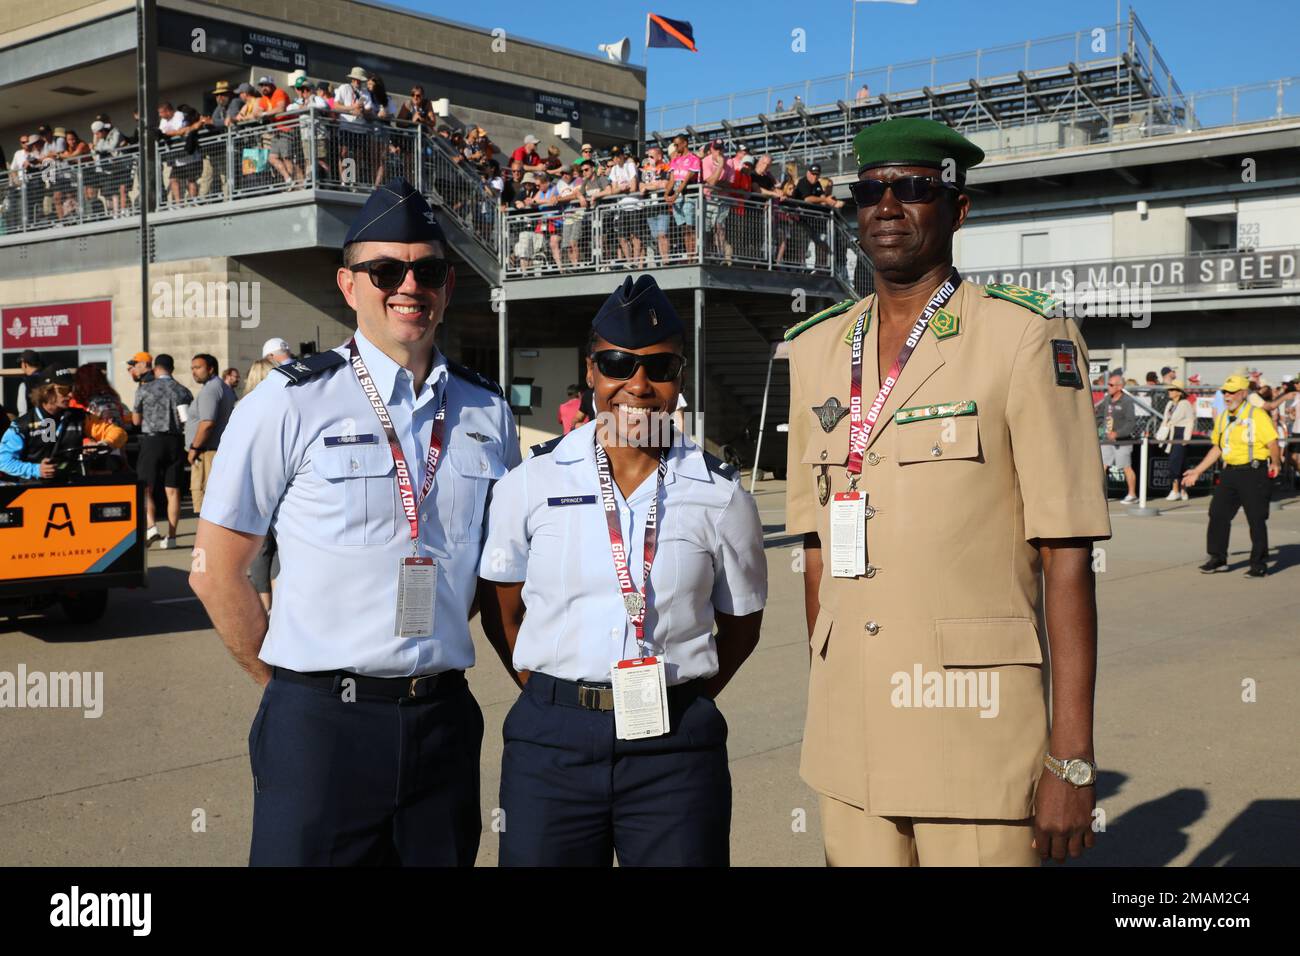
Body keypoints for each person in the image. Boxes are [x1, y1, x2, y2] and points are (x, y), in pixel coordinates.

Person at [784, 117, 1111, 866]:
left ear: (958, 210)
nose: (887, 205)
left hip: (976, 741)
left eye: (914, 189)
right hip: (851, 743)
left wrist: (1073, 758)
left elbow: (1066, 553)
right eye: (871, 190)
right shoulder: (815, 350)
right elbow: (814, 550)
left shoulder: (1024, 337)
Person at [190, 178, 519, 866]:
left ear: (448, 285)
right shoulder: (290, 400)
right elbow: (216, 571)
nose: (408, 285)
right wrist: (286, 688)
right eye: (384, 270)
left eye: (426, 269)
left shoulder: (487, 411)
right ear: (348, 285)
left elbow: (504, 572)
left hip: (441, 721)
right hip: (320, 726)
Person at [479, 275, 766, 866]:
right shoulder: (532, 482)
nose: (637, 385)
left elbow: (741, 625)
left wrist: (683, 701)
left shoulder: (719, 493)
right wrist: (555, 696)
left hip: (674, 751)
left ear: (679, 379)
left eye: (659, 369)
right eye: (617, 363)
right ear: (591, 372)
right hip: (551, 744)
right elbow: (502, 610)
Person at [1182, 374, 1281, 578]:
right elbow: (1218, 448)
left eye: (1232, 392)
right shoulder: (1223, 417)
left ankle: (1258, 564)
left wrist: (1276, 462)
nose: (1227, 395)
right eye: (1225, 392)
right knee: (1217, 513)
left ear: (1243, 393)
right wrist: (1198, 470)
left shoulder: (1257, 415)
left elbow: (1272, 442)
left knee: (1256, 518)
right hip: (1230, 473)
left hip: (1254, 472)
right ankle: (1217, 558)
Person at [0, 365, 126, 480]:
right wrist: (36, 470)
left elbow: (117, 432)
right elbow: (3, 461)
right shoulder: (22, 425)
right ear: (46, 391)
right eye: (64, 390)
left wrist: (106, 443)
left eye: (72, 389)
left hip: (72, 488)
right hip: (33, 492)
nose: (70, 394)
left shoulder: (80, 417)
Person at [132, 354, 193, 548]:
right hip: (175, 441)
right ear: (172, 369)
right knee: (173, 490)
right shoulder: (182, 390)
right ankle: (172, 537)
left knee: (146, 487)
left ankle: (152, 526)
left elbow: (135, 420)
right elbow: (186, 420)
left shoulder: (145, 388)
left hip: (152, 441)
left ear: (156, 368)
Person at [187, 353, 237, 513]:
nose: (194, 371)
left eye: (198, 367)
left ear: (210, 369)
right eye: (192, 368)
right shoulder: (222, 386)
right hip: (215, 450)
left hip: (207, 453)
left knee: (206, 504)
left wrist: (194, 448)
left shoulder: (210, 390)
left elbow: (207, 423)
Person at [1096, 372, 1138, 503]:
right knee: (1102, 466)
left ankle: (1132, 495)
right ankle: (1101, 493)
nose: (1108, 386)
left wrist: (1118, 433)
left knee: (1126, 467)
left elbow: (1131, 422)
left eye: (1111, 384)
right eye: (1108, 384)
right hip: (1106, 439)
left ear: (1119, 387)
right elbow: (1100, 415)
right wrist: (1100, 427)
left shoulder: (1127, 401)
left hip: (1122, 441)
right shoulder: (1107, 399)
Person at [1159, 380, 1196, 500]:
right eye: (1169, 390)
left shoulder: (1185, 404)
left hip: (1181, 434)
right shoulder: (1170, 404)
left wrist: (1186, 438)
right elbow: (1166, 420)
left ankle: (1177, 490)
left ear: (1179, 392)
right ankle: (1181, 490)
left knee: (1176, 462)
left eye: (1173, 390)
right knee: (1178, 462)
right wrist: (1161, 434)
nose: (1170, 392)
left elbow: (1190, 421)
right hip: (1170, 434)